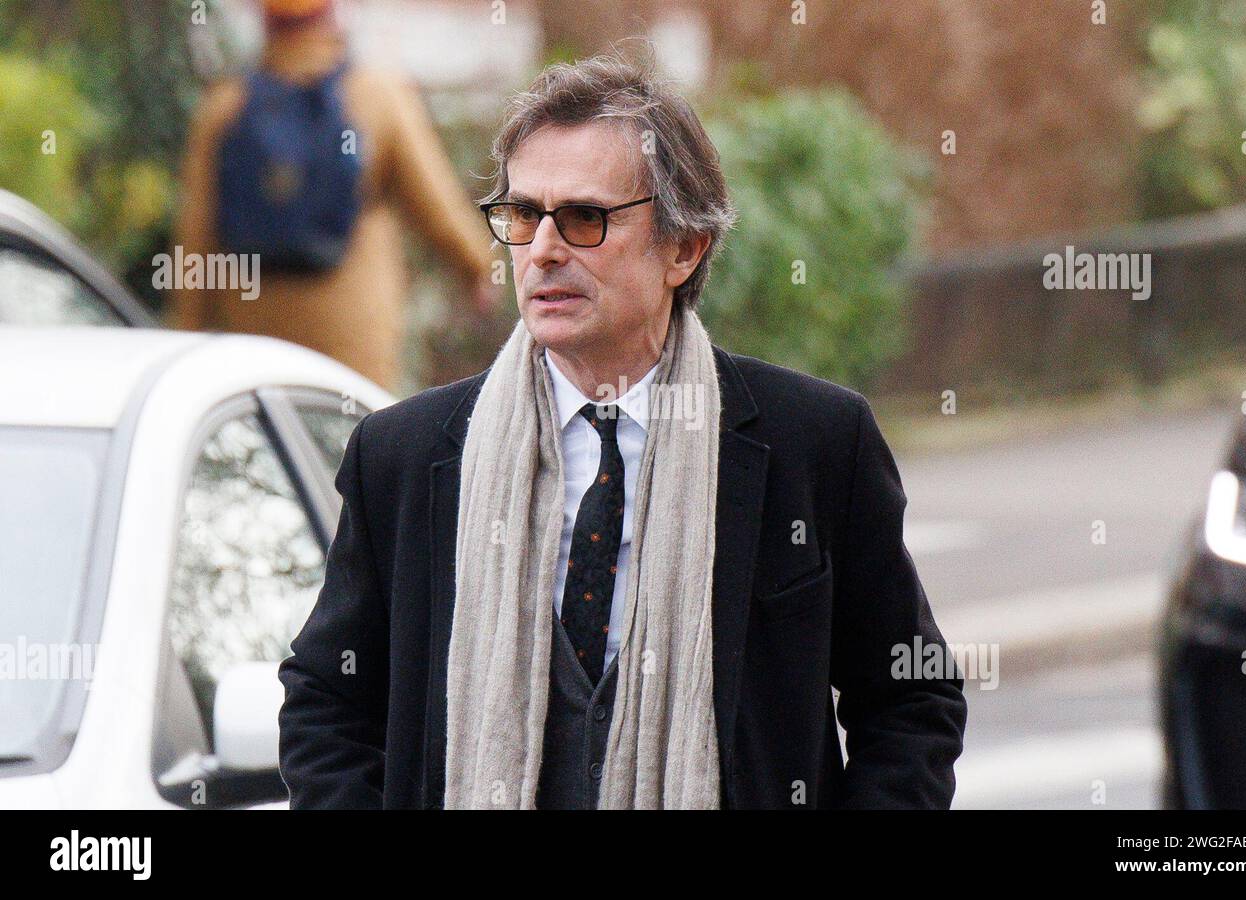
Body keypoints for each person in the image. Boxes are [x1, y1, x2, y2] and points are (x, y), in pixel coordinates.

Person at [277, 51, 966, 809]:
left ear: (683, 247)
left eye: (583, 218)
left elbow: (910, 698)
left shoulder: (816, 444)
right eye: (522, 215)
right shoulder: (404, 457)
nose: (542, 250)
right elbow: (326, 704)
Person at [165, 0, 495, 392]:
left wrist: (185, 331)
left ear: (265, 20)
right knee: (362, 443)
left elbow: (196, 235)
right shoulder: (376, 95)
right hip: (354, 332)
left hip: (255, 333)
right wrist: (479, 267)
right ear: (333, 14)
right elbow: (436, 204)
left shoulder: (223, 107)